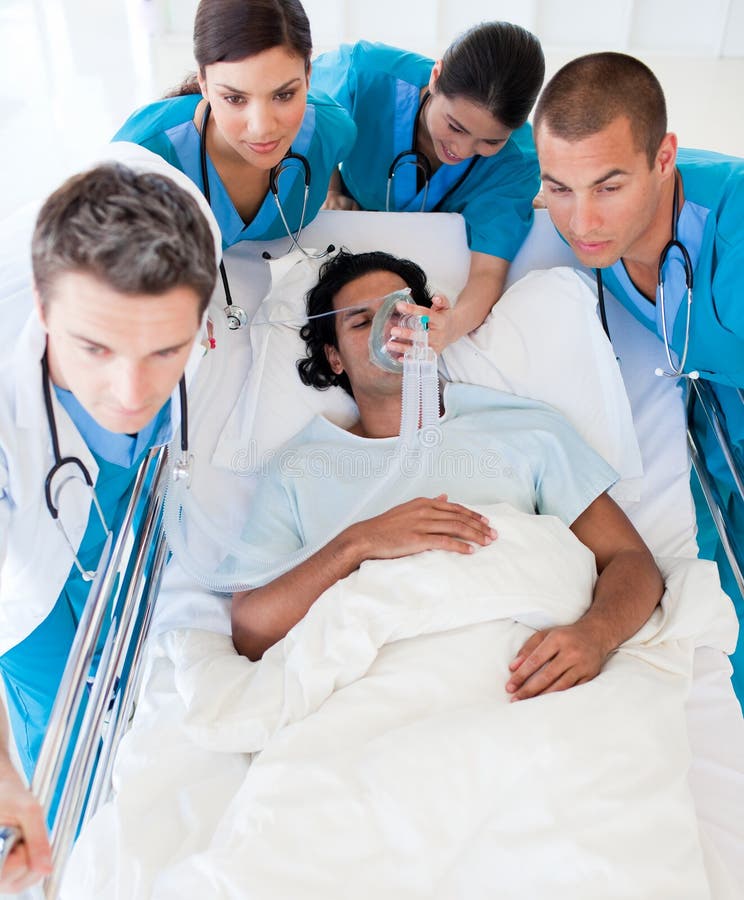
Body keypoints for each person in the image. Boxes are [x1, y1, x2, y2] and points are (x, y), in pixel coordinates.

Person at [231, 250, 664, 702]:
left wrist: (595, 635)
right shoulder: (300, 470)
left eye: (400, 313)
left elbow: (632, 560)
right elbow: (251, 632)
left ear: (430, 327)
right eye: (362, 323)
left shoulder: (526, 431)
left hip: (523, 677)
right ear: (334, 357)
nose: (389, 332)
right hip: (380, 692)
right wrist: (360, 543)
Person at [0, 162, 218, 893]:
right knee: (60, 745)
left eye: (165, 351)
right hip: (23, 587)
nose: (131, 392)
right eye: (94, 348)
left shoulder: (192, 241)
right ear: (42, 310)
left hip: (113, 500)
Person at [531, 51, 744, 698]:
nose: (581, 222)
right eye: (559, 189)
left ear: (664, 156)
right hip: (716, 463)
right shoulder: (594, 231)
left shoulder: (732, 227)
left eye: (608, 188)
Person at [310, 24, 545, 352]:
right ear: (436, 76)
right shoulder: (362, 75)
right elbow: (313, 119)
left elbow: (488, 272)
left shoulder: (515, 161)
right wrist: (329, 188)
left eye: (490, 141)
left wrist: (451, 326)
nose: (462, 151)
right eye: (455, 127)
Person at [113, 0, 356, 251]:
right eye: (235, 99)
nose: (262, 128)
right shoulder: (140, 157)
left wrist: (332, 190)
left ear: (308, 75)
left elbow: (327, 154)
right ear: (204, 82)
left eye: (284, 95)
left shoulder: (329, 127)